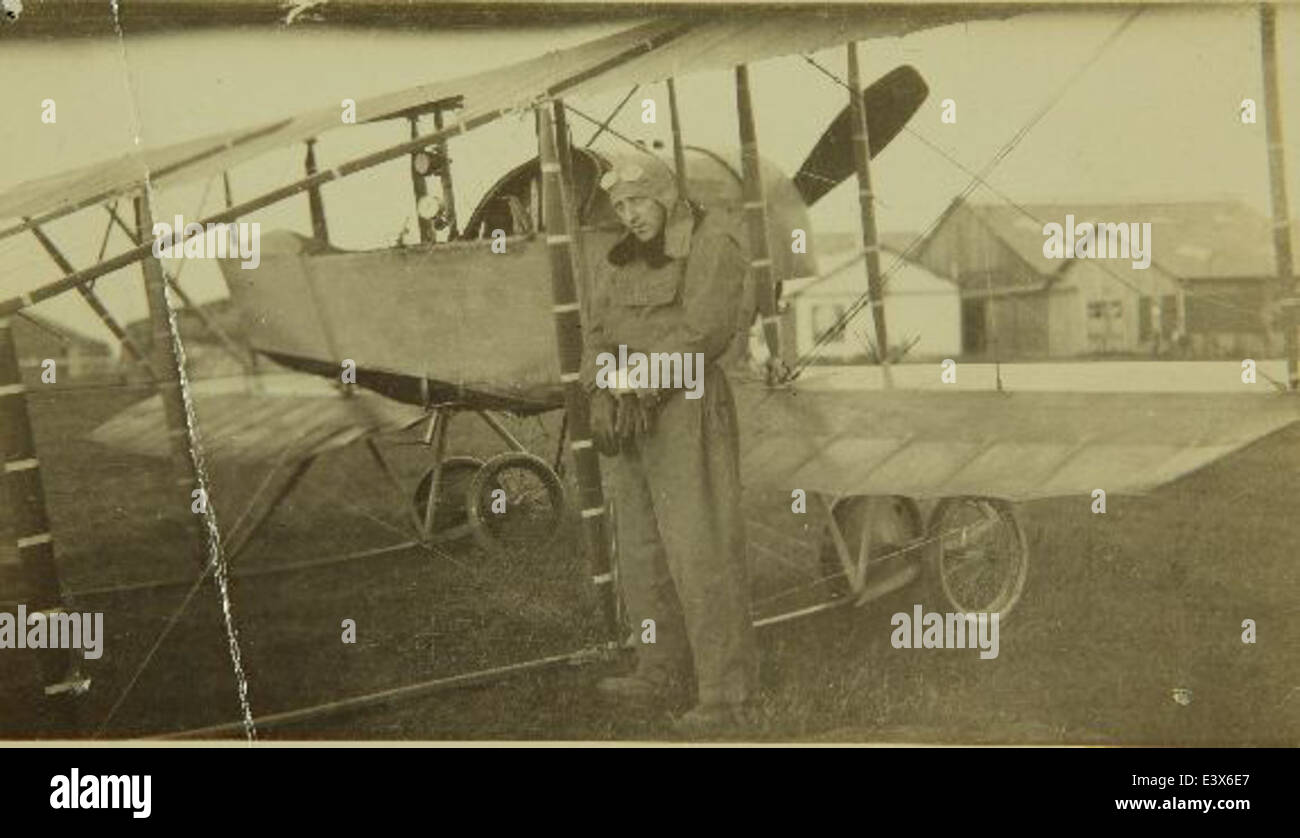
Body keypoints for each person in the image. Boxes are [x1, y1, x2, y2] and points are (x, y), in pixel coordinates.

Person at [579, 152, 759, 735]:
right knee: (639, 547)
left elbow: (702, 333)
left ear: (667, 197)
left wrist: (635, 388)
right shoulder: (619, 259)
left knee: (699, 549)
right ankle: (658, 668)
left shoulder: (714, 244)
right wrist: (603, 393)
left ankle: (724, 695)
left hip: (687, 409)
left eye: (639, 202)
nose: (630, 216)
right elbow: (598, 333)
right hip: (630, 413)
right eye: (621, 206)